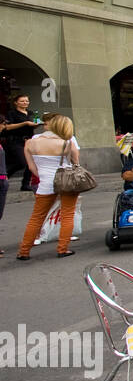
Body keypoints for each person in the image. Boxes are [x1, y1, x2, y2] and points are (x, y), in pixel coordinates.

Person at [17, 114, 82, 260]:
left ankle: (24, 251)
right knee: (67, 215)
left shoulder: (30, 143)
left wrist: (45, 176)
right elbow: (76, 163)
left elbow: (32, 168)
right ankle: (62, 249)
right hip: (66, 182)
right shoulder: (67, 142)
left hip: (44, 183)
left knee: (36, 217)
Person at [3, 94, 40, 191]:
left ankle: (26, 183)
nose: (25, 103)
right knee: (21, 162)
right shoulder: (11, 113)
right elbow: (7, 127)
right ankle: (3, 177)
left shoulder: (30, 113)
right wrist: (25, 123)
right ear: (16, 102)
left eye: (27, 101)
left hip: (29, 140)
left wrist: (36, 124)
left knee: (30, 162)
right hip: (16, 140)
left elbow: (33, 125)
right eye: (22, 101)